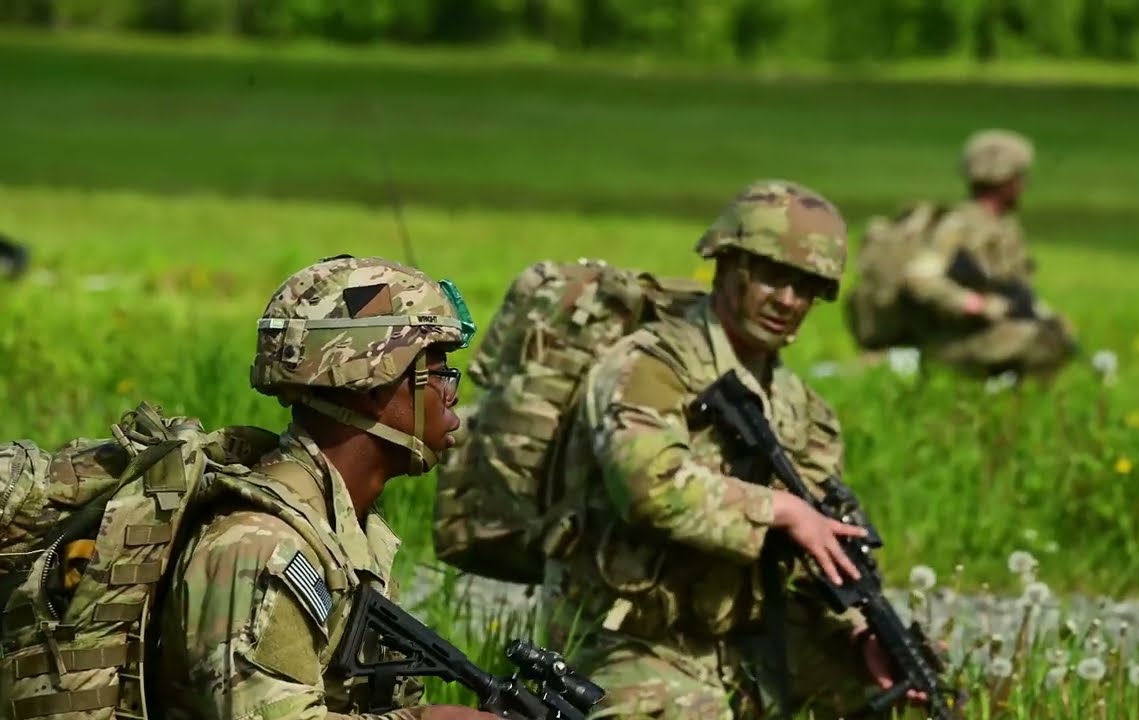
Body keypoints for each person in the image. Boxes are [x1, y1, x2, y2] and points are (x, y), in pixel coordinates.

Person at [537, 181, 932, 719]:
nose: (788, 300)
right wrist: (779, 510)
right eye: (771, 276)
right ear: (726, 264)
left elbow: (817, 553)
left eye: (806, 287)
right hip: (628, 640)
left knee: (895, 694)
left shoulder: (803, 411)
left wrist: (862, 633)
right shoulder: (649, 365)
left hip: (741, 641)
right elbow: (648, 487)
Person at [147, 255, 500, 720]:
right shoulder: (260, 545)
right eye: (439, 374)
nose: (452, 396)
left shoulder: (341, 527)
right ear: (373, 388)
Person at [851, 129, 1077, 381]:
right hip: (948, 342)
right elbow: (921, 280)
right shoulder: (957, 226)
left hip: (979, 336)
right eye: (1019, 176)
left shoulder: (1003, 229)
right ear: (1005, 180)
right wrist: (976, 304)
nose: (1024, 184)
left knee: (1055, 332)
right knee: (1038, 341)